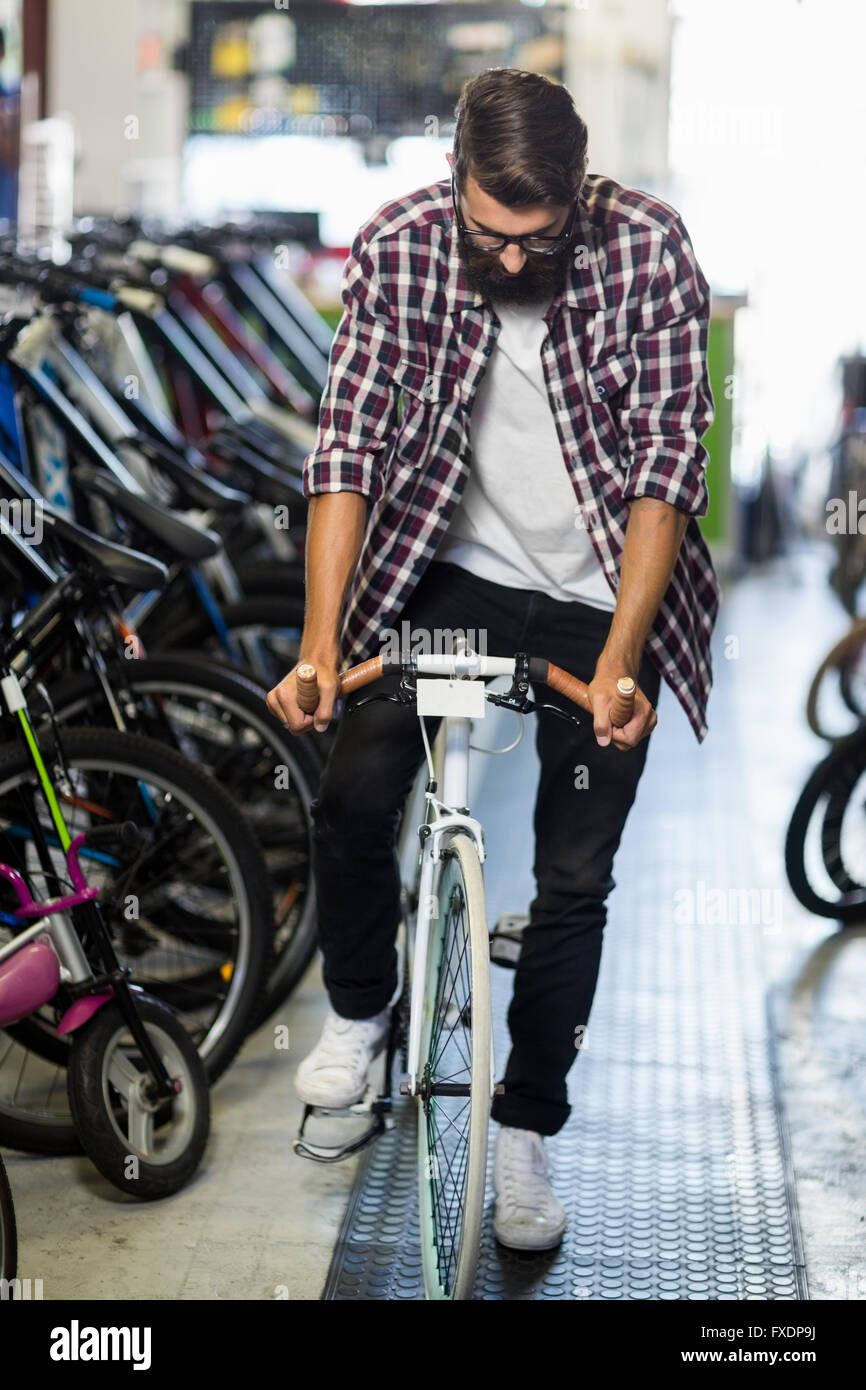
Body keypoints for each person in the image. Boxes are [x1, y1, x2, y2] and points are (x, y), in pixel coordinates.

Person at [267, 67, 719, 1252]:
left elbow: (668, 469)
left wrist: (622, 662)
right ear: (453, 179)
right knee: (355, 791)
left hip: (597, 593)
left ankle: (524, 1130)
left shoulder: (650, 250)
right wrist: (322, 646)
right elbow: (346, 448)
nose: (512, 263)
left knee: (574, 874)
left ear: (580, 197)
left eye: (540, 239)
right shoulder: (403, 246)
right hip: (449, 578)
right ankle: (363, 1015)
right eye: (489, 234)